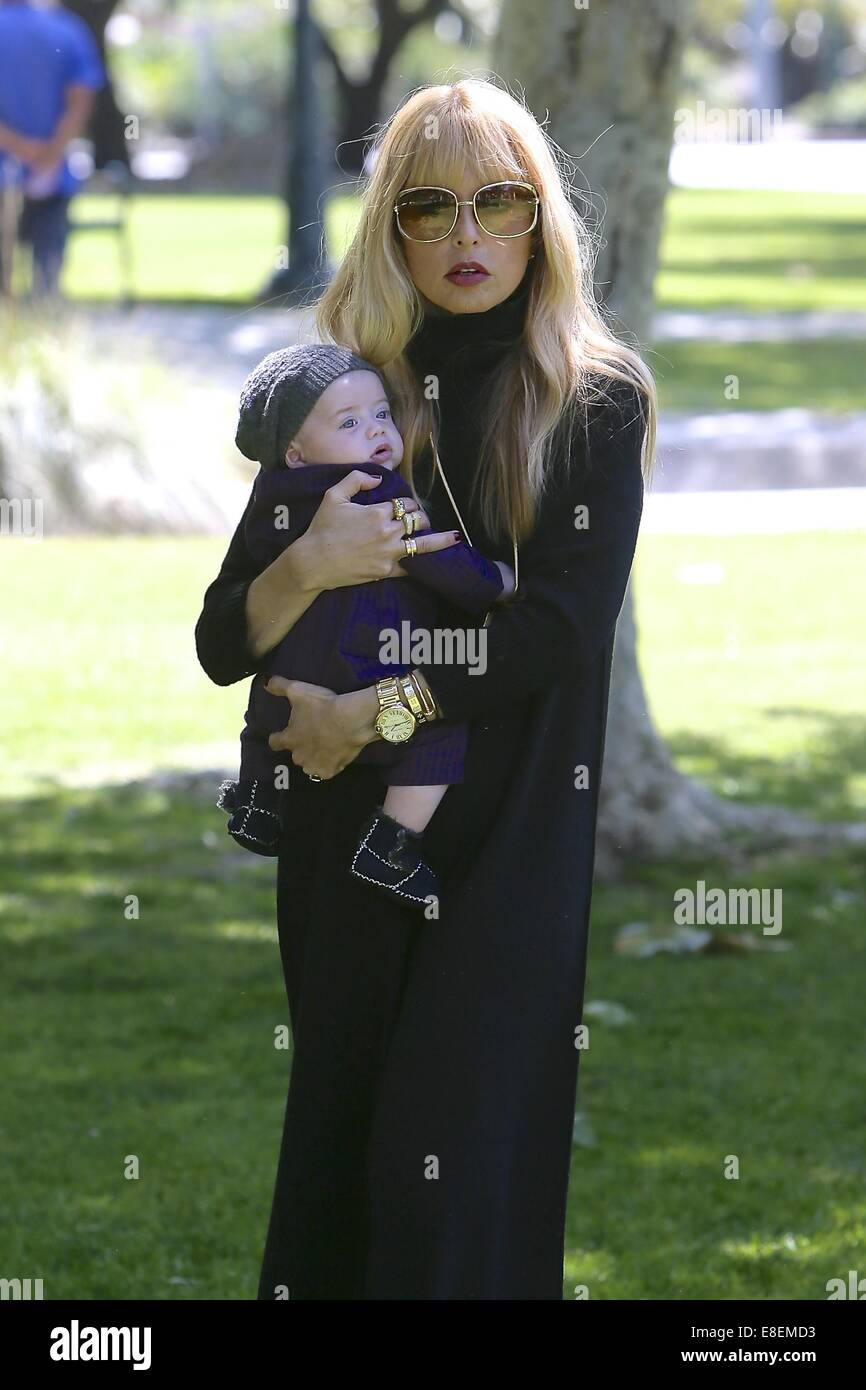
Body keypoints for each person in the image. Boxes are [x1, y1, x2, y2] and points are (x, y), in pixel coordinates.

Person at [194, 77, 657, 1300]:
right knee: (339, 1146)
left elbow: (550, 636)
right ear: (389, 228)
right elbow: (223, 639)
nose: (465, 238)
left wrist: (378, 712)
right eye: (430, 207)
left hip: (505, 834)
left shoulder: (592, 401)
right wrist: (307, 562)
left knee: (453, 1173)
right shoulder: (345, 394)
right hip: (343, 828)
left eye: (497, 204)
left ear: (539, 221)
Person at [218, 341, 516, 910]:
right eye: (350, 422)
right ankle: (391, 843)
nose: (377, 431)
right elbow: (436, 559)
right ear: (297, 452)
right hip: (368, 663)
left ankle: (257, 802)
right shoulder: (377, 492)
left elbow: (246, 584)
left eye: (382, 414)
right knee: (437, 738)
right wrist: (496, 582)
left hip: (292, 669)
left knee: (267, 723)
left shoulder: (270, 497)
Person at [0, 0, 106, 299]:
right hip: (54, 173)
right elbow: (81, 99)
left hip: (6, 166)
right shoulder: (66, 29)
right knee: (46, 277)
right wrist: (51, 152)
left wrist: (19, 147)